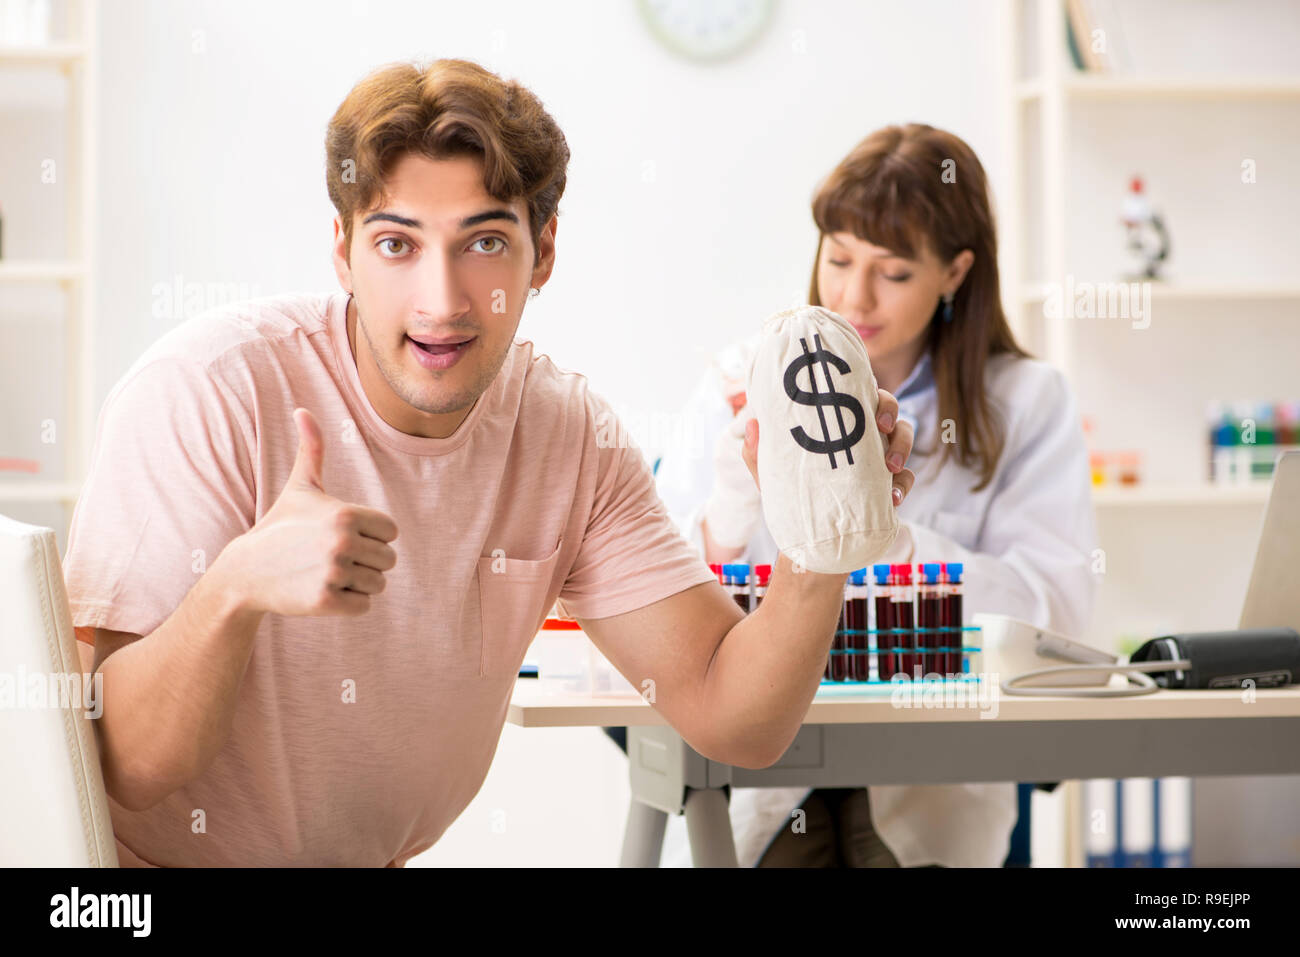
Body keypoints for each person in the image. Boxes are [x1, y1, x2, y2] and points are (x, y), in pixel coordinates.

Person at [60, 58, 915, 867]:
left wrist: (817, 535)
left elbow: (736, 719)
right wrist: (235, 587)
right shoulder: (205, 392)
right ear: (343, 250)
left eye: (483, 243)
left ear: (543, 251)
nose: (442, 300)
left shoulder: (568, 435)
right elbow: (124, 767)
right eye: (397, 244)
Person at [654, 124, 1099, 867]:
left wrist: (895, 544)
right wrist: (733, 509)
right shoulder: (743, 378)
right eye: (838, 258)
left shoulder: (1027, 401)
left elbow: (1058, 614)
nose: (853, 296)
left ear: (955, 272)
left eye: (892, 272)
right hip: (775, 749)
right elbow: (653, 602)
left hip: (936, 756)